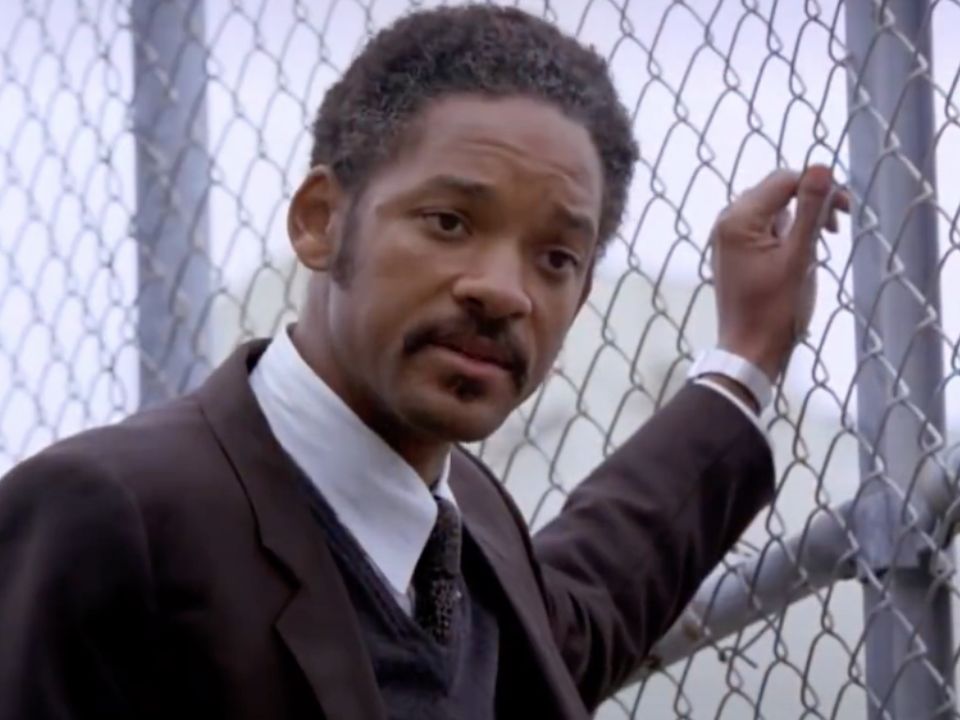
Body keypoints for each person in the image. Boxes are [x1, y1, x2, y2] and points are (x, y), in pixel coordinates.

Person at [0, 5, 847, 720]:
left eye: (556, 258)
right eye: (449, 222)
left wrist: (745, 359)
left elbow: (577, 616)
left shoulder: (465, 537)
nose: (503, 291)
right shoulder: (112, 517)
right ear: (321, 220)